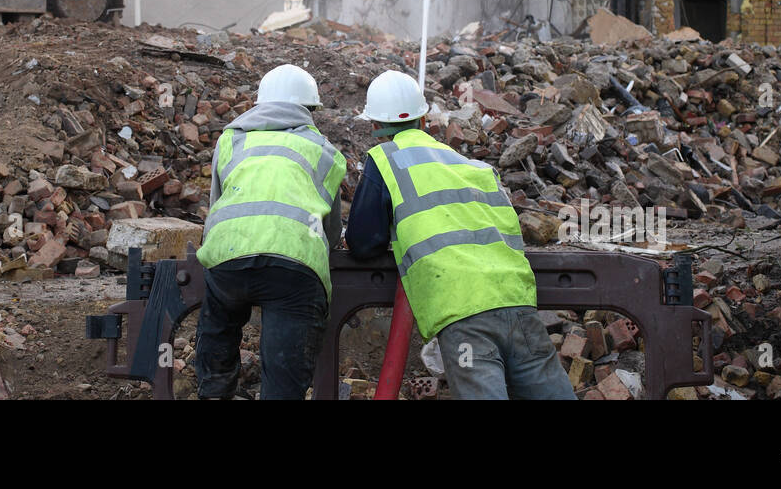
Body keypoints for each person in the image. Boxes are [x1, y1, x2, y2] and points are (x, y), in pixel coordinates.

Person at [345, 69, 575, 400]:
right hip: (517, 302)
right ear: (424, 120)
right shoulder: (474, 167)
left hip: (464, 311)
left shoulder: (386, 161)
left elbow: (363, 242)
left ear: (373, 125)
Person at [194, 63, 347, 399]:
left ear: (260, 103)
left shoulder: (231, 140)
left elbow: (218, 203)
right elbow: (331, 231)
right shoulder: (324, 151)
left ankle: (215, 387)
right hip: (295, 268)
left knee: (219, 331)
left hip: (227, 257)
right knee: (283, 379)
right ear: (309, 109)